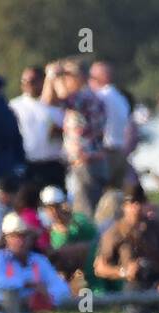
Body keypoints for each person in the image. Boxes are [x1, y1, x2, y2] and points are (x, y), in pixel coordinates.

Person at [93, 184, 159, 313]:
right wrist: (123, 271)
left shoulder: (157, 227)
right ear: (124, 206)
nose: (136, 207)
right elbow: (100, 267)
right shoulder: (115, 232)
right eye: (132, 203)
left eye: (140, 202)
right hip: (135, 282)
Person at [0, 212, 70, 313]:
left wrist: (46, 295)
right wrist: (28, 284)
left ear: (31, 239)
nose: (20, 241)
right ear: (6, 239)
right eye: (15, 236)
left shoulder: (39, 260)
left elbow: (62, 288)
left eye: (24, 236)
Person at [48, 60, 108, 216]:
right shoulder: (91, 96)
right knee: (91, 209)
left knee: (85, 212)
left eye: (67, 75)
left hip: (86, 163)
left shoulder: (83, 97)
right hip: (91, 162)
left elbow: (52, 100)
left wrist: (53, 76)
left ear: (79, 77)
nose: (65, 79)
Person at [10, 66, 67, 192]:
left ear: (43, 81)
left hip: (53, 163)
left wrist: (60, 132)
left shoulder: (56, 106)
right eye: (24, 81)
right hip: (28, 164)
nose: (28, 85)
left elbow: (68, 131)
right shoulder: (15, 106)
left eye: (32, 81)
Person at [89, 61, 135, 188]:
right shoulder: (120, 97)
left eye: (92, 77)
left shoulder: (101, 97)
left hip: (106, 153)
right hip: (119, 151)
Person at [41, 185, 100, 283]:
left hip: (88, 273)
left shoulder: (80, 222)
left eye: (57, 206)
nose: (54, 212)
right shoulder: (47, 232)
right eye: (49, 208)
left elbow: (96, 242)